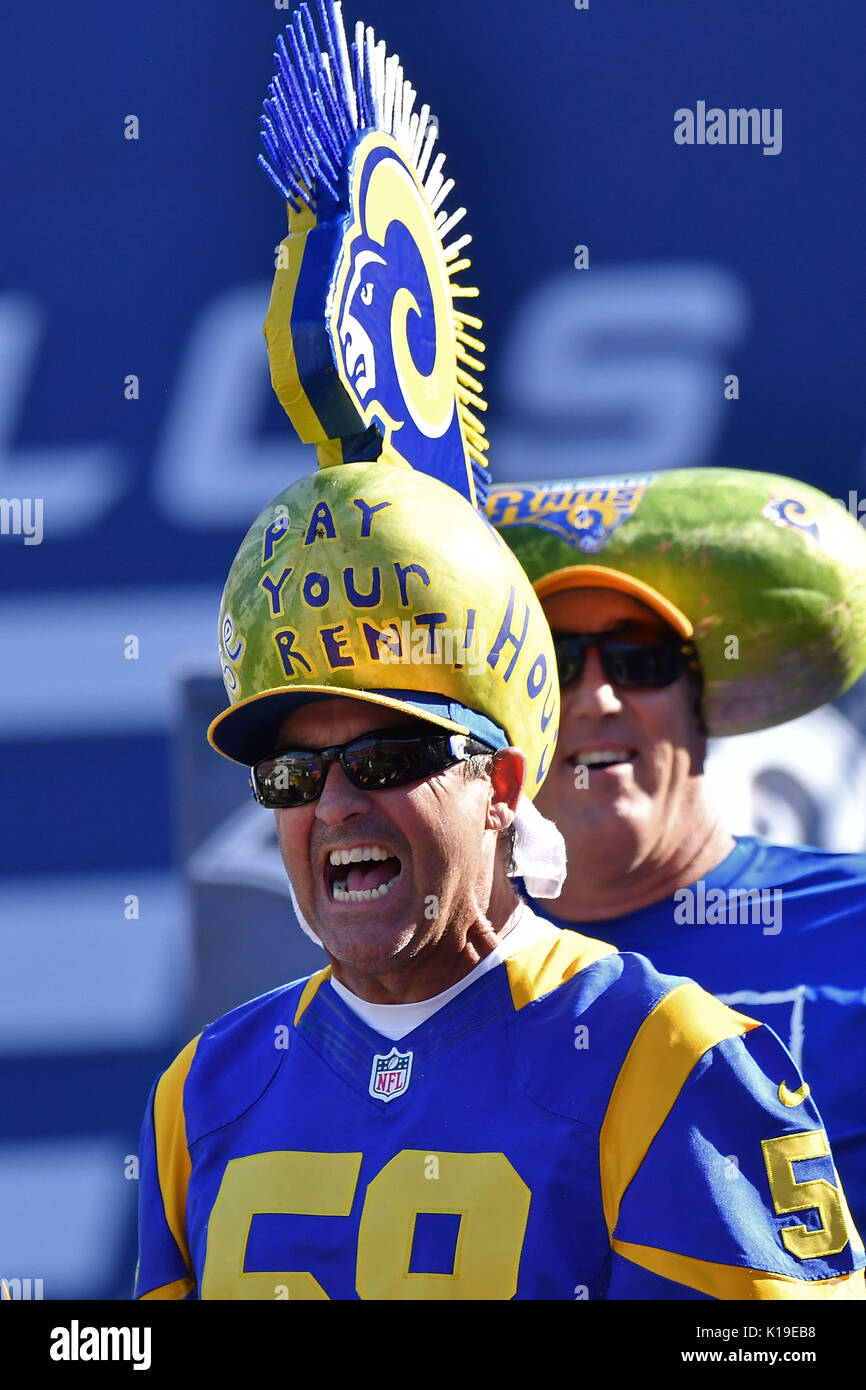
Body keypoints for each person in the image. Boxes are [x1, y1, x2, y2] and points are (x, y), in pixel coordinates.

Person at [134, 6, 864, 1301]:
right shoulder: (206, 1091)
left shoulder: (687, 1040)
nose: (588, 689)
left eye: (634, 655)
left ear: (497, 776)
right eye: (294, 773)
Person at [488, 466, 866, 1240]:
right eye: (555, 665)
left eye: (639, 661)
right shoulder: (427, 975)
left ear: (705, 709)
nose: (597, 696)